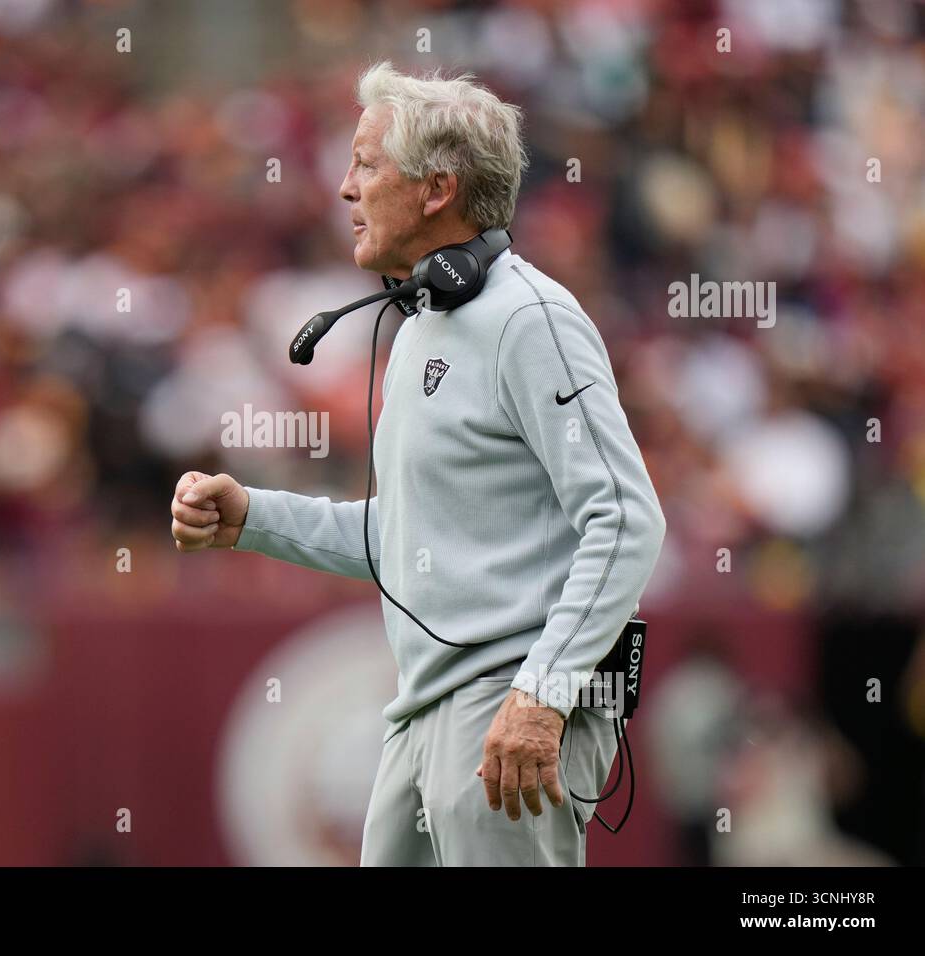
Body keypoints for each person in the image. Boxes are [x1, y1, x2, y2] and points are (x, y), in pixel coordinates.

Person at [171, 62, 665, 866]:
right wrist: (253, 517)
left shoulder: (529, 320)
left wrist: (543, 693)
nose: (344, 189)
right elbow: (406, 538)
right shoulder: (420, 327)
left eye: (366, 164)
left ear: (437, 189)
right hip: (423, 713)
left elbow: (627, 519)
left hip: (507, 703)